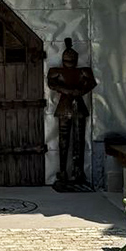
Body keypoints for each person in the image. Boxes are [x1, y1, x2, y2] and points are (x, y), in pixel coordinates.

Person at [47, 38, 97, 189]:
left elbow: (91, 83)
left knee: (78, 140)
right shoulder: (57, 72)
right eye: (68, 60)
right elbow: (52, 83)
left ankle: (78, 171)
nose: (70, 63)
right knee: (64, 141)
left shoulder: (83, 71)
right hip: (65, 104)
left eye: (72, 60)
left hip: (77, 105)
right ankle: (63, 171)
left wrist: (79, 91)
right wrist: (69, 90)